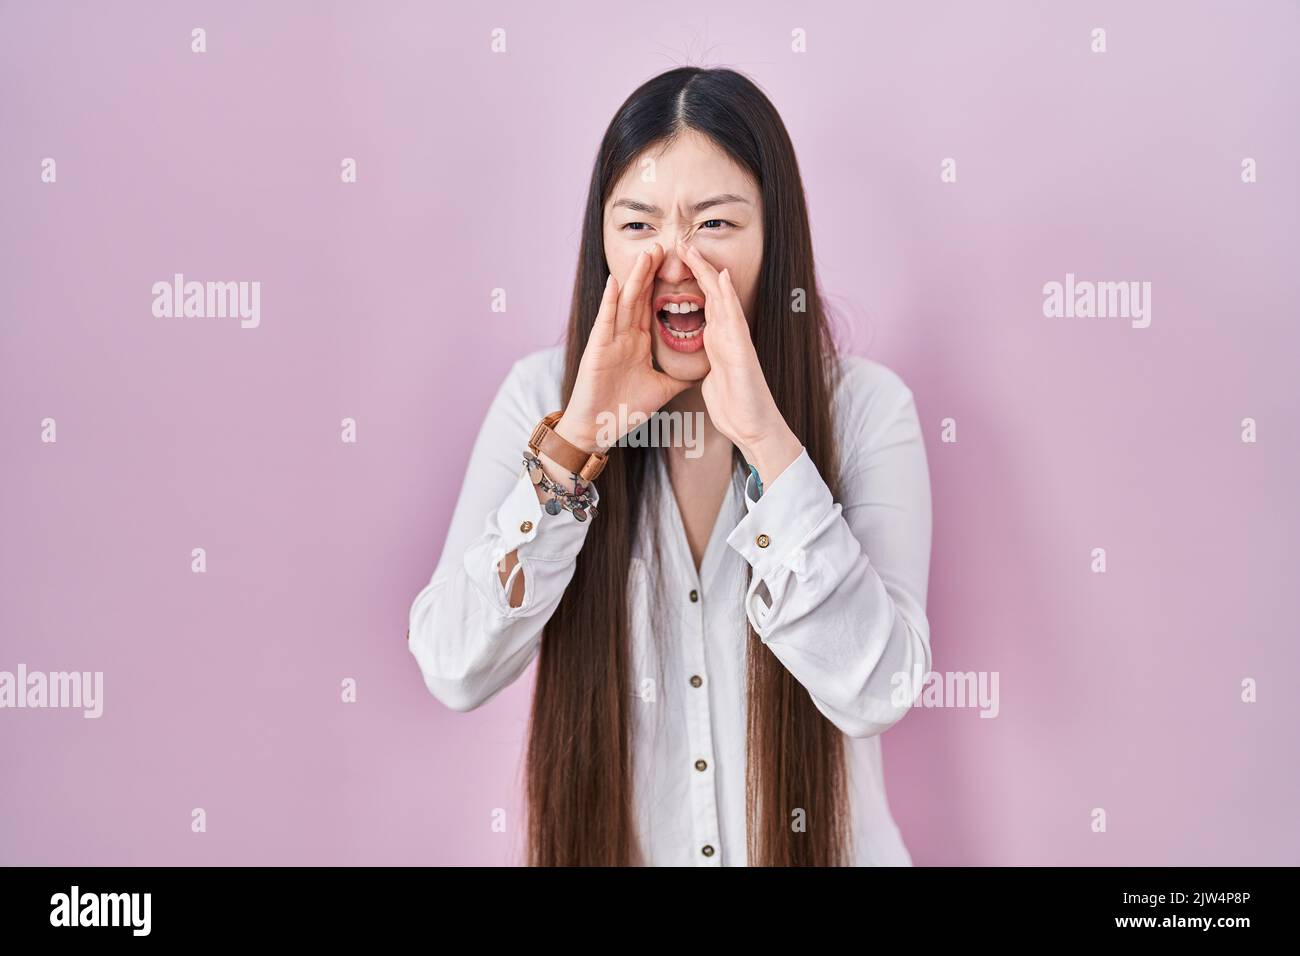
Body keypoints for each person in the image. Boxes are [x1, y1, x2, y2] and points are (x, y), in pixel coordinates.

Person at [408, 66, 933, 866]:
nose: (675, 261)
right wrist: (582, 434)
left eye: (715, 224)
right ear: (602, 241)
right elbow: (454, 668)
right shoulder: (537, 399)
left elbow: (879, 689)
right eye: (639, 225)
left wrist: (769, 443)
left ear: (775, 236)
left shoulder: (866, 410)